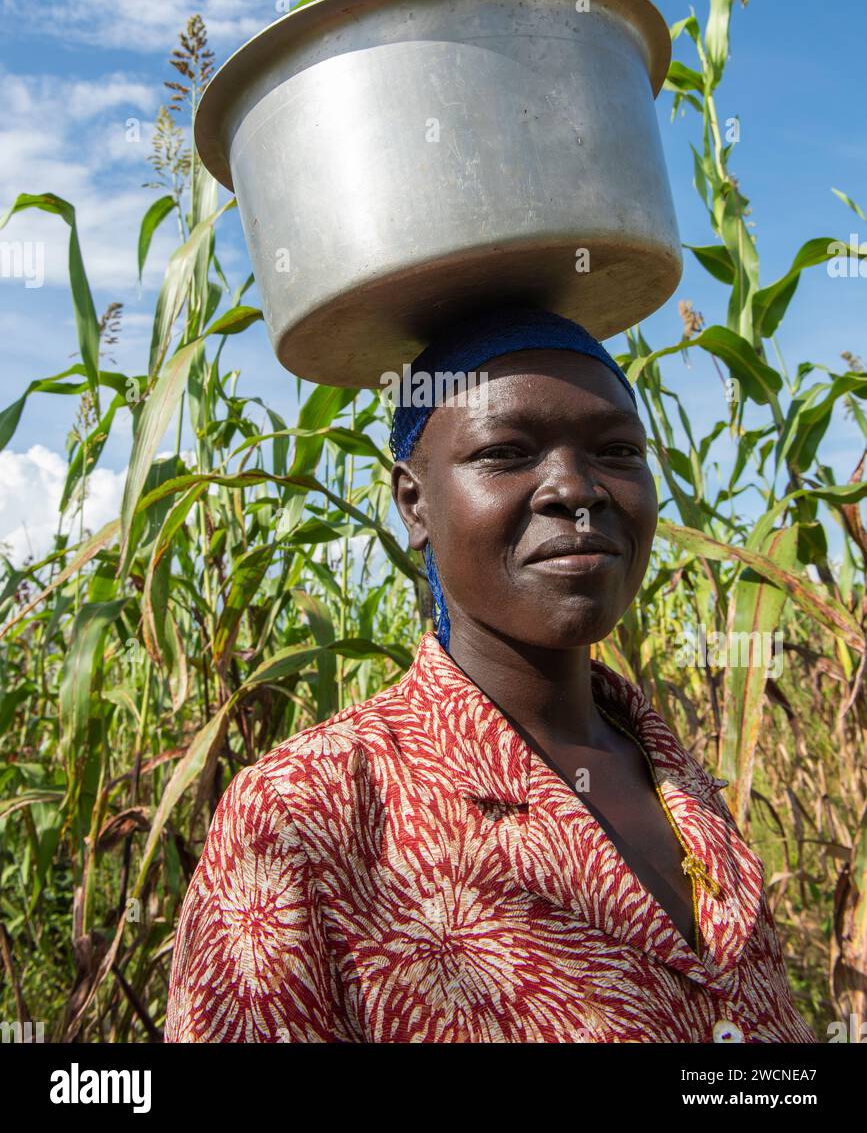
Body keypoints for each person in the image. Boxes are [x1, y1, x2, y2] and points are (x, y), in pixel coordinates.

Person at [164, 304, 816, 1044]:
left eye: (617, 451)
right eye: (506, 452)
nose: (576, 489)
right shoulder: (311, 812)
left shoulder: (683, 785)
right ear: (413, 503)